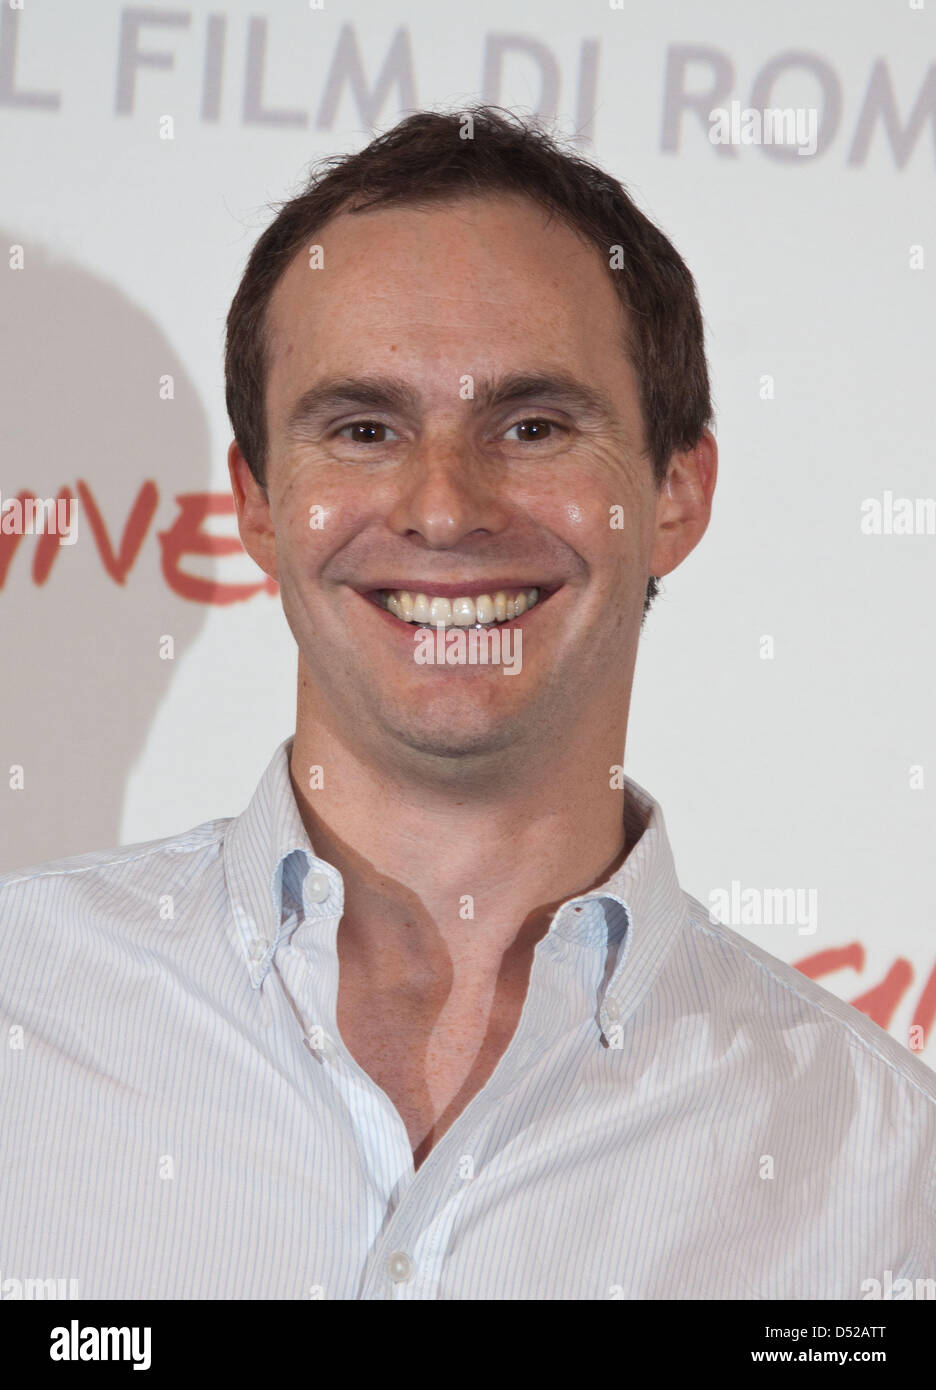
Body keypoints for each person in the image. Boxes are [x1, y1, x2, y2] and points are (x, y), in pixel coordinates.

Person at [1, 105, 933, 1301]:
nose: (444, 508)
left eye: (533, 425)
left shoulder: (886, 1173)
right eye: (365, 427)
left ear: (677, 494)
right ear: (259, 505)